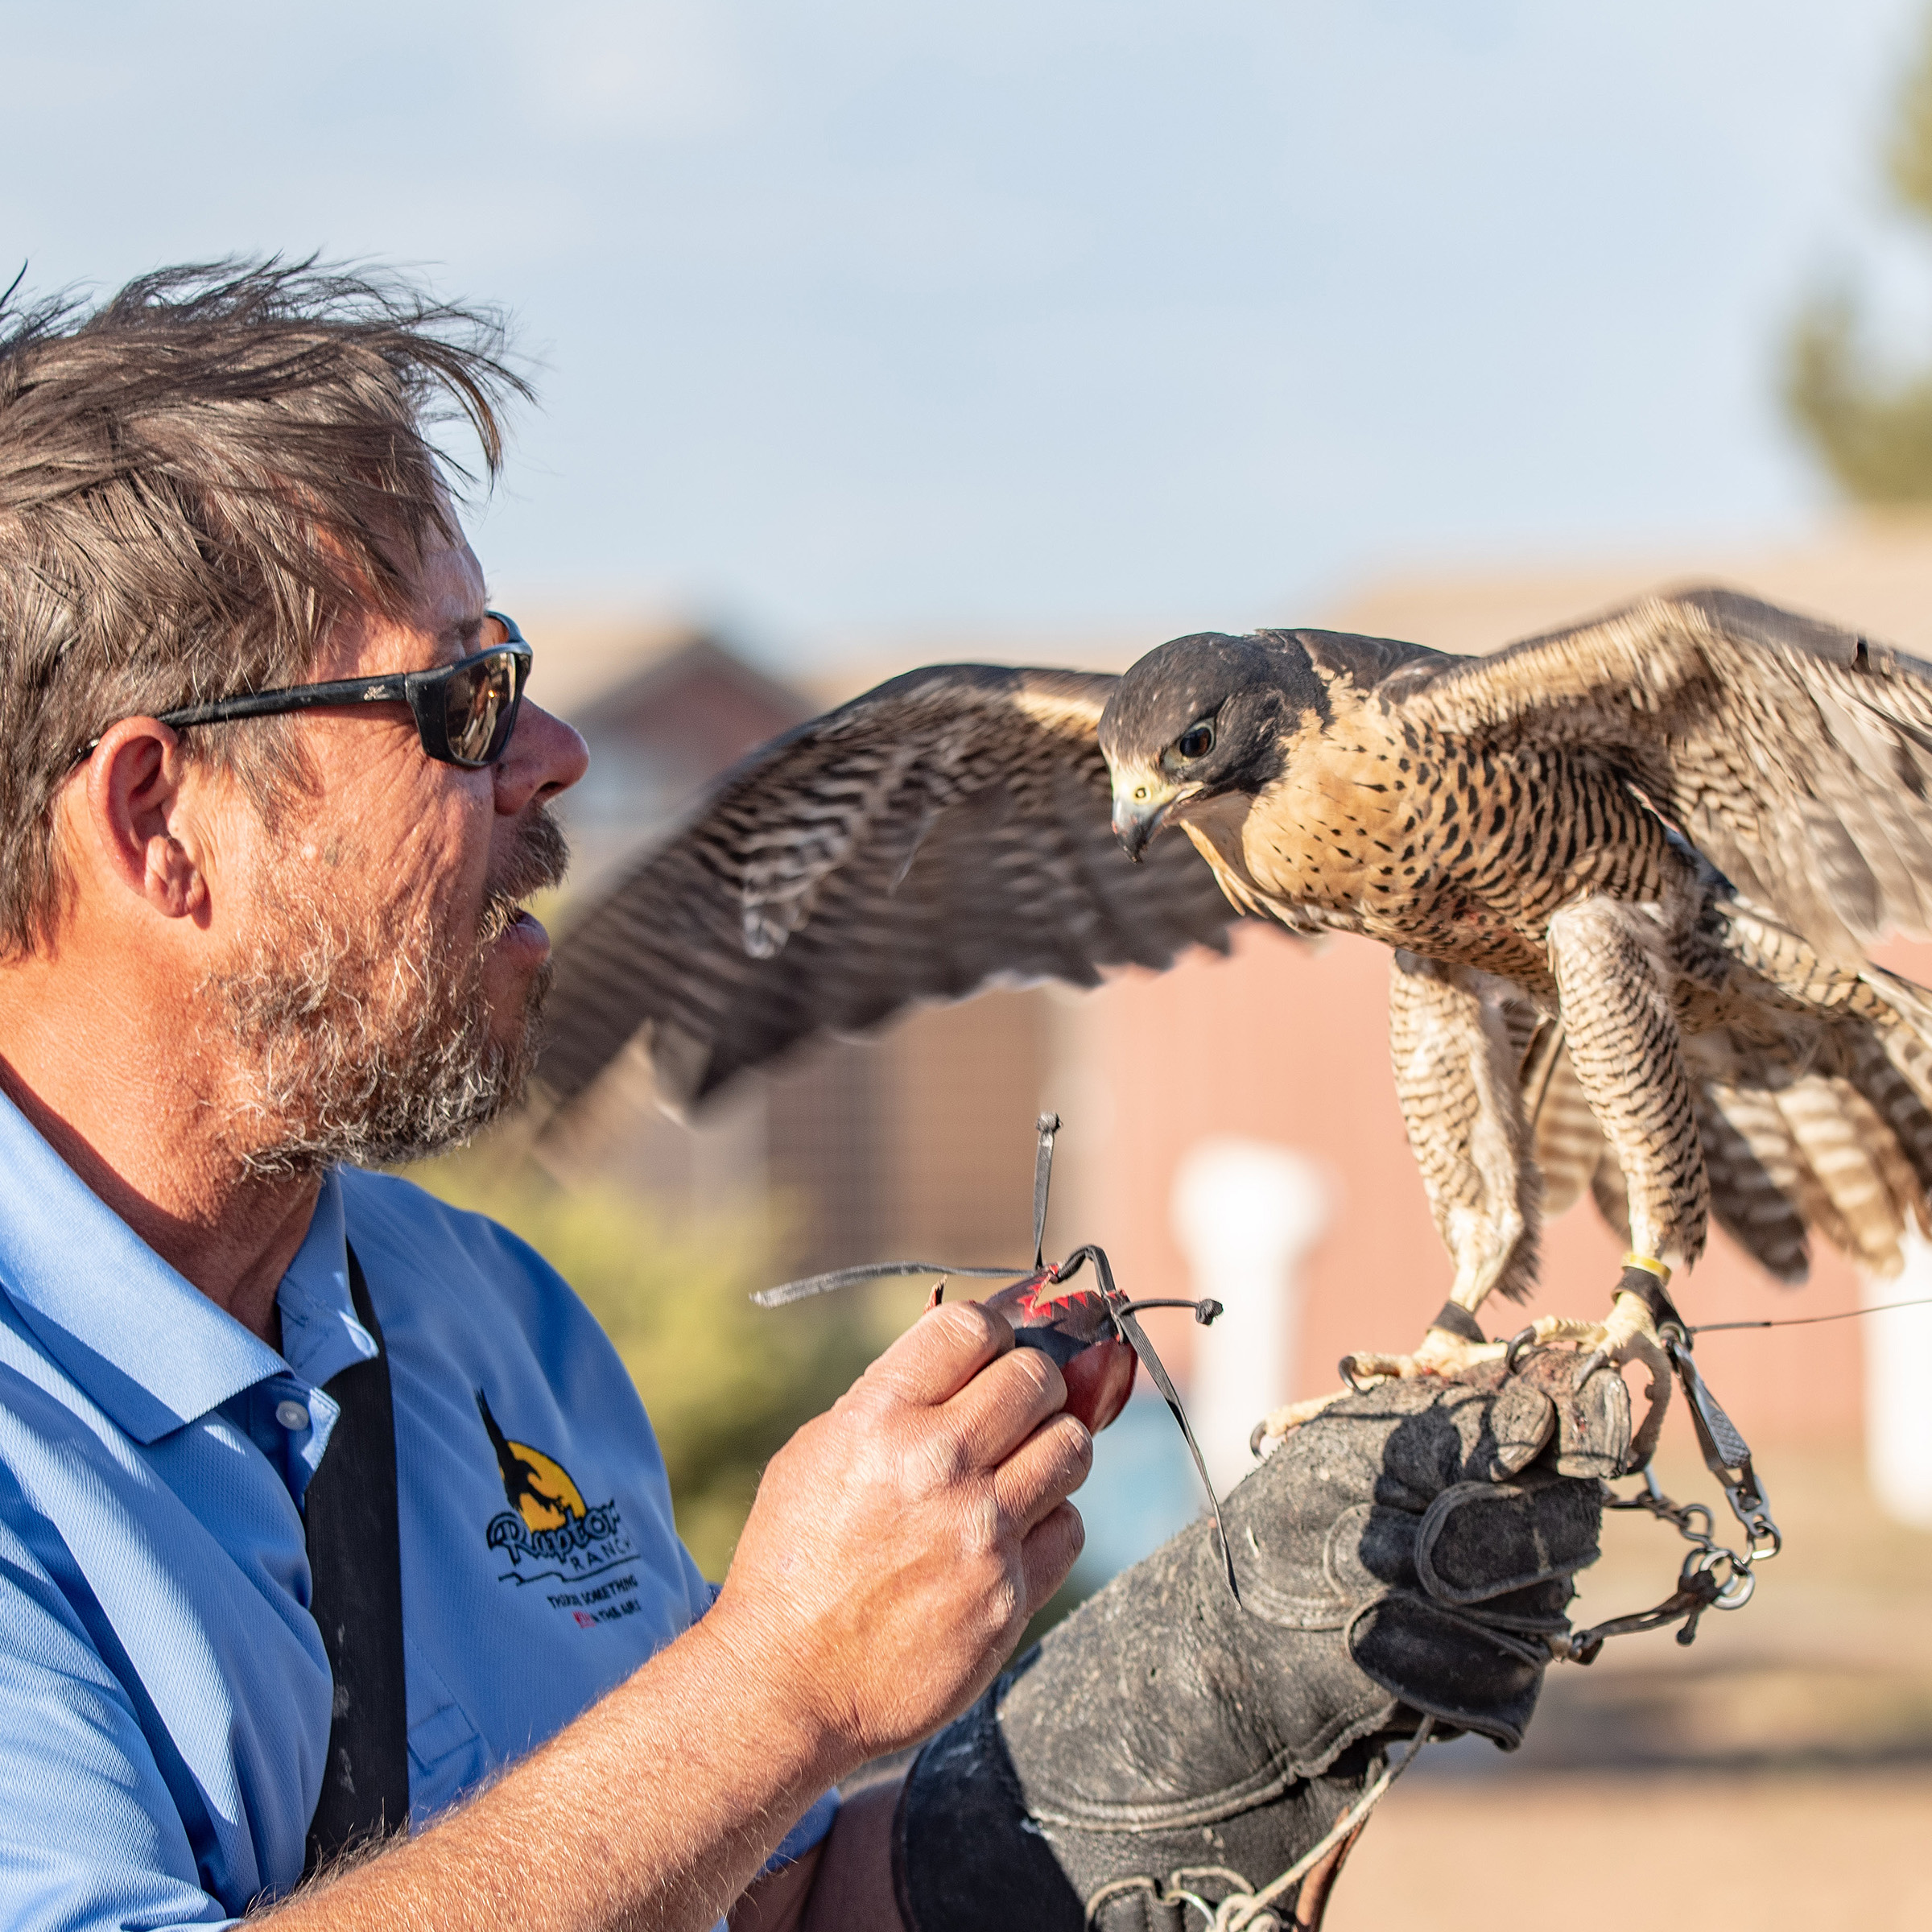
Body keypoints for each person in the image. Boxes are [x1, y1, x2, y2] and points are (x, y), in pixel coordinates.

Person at [0, 262, 1618, 1932]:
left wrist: (1232, 1685)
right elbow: (746, 1741)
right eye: (459, 701)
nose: (552, 752)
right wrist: (773, 1688)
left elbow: (762, 1904)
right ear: (156, 824)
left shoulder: (489, 1326)